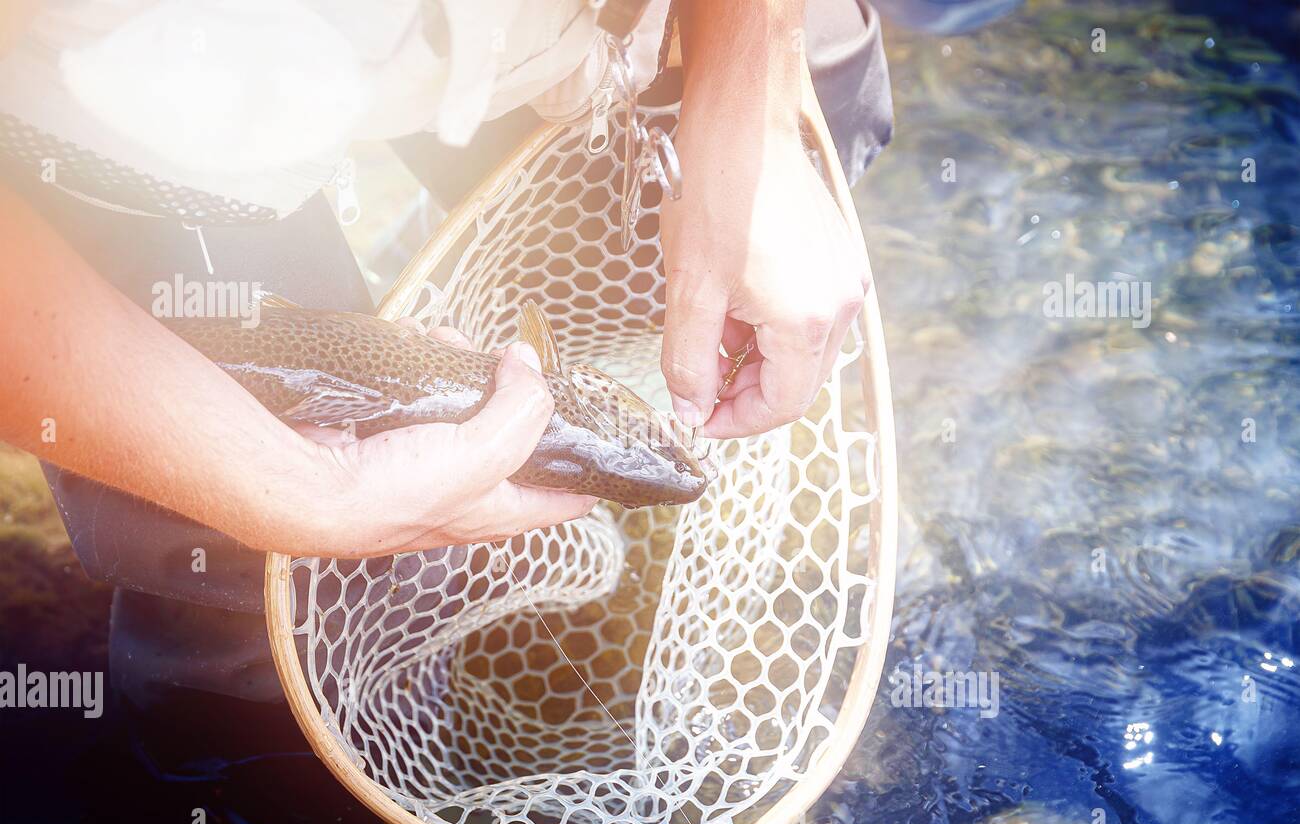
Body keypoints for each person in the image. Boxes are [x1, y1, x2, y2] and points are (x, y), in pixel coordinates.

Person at [0, 0, 895, 708]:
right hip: (133, 93)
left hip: (523, 29)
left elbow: (768, 93)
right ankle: (232, 763)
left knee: (827, 94)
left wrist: (757, 103)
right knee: (269, 573)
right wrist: (300, 497)